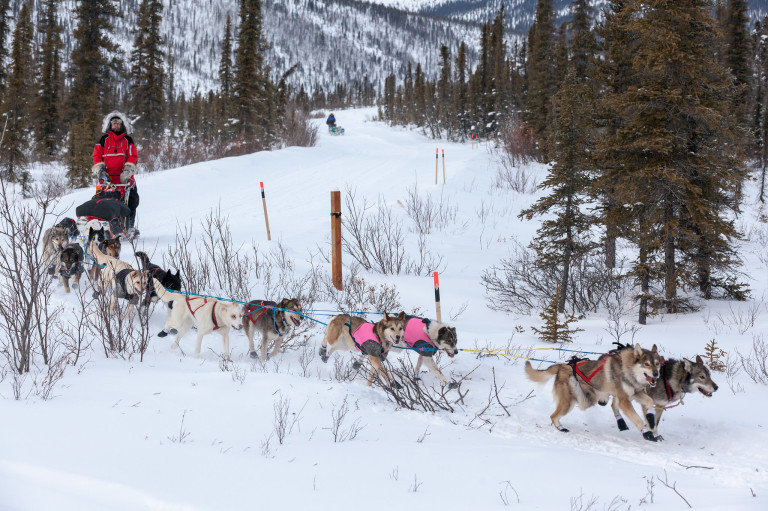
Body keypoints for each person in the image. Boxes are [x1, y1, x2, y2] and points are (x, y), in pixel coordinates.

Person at [91, 111, 140, 237]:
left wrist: (128, 170)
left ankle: (129, 227)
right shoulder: (103, 140)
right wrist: (100, 170)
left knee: (131, 201)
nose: (116, 125)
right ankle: (104, 228)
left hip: (125, 179)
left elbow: (132, 156)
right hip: (108, 180)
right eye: (114, 123)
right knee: (103, 202)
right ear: (110, 125)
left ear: (122, 125)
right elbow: (96, 156)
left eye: (118, 123)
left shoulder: (128, 140)